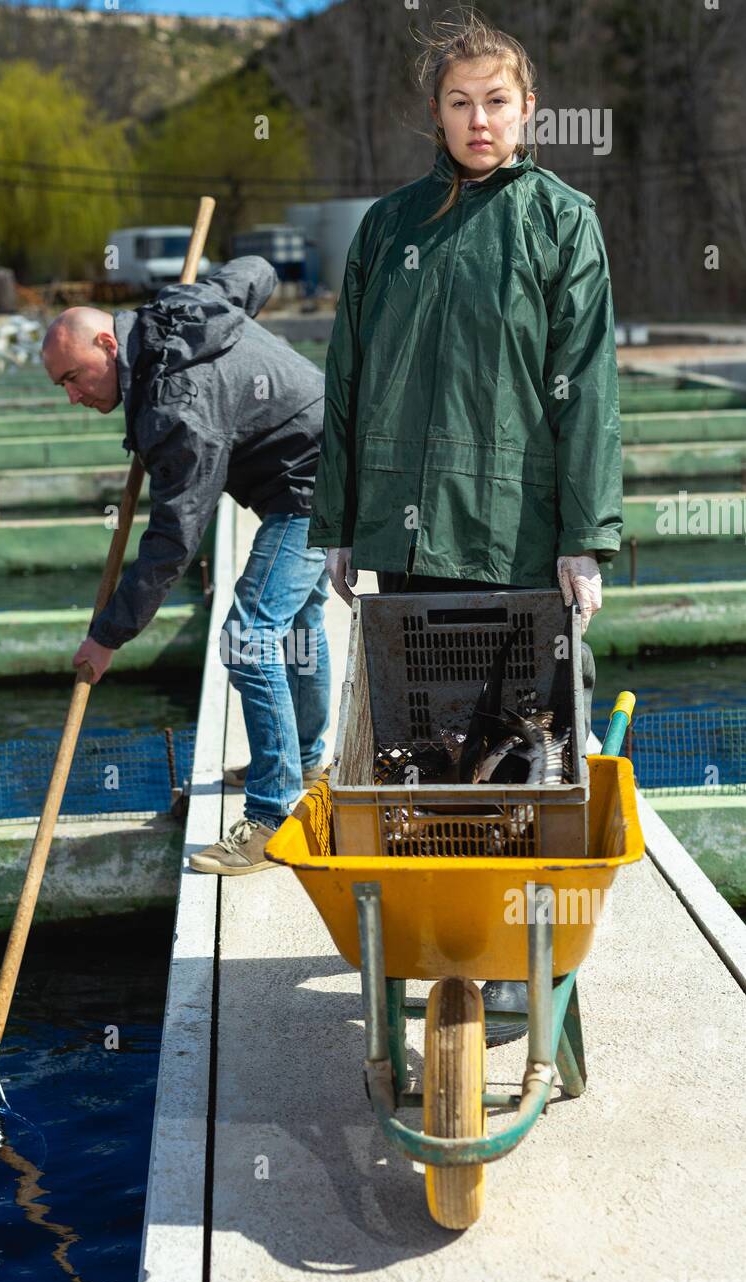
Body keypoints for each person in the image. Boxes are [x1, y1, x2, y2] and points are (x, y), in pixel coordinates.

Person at [308, 10, 623, 1042]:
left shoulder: (558, 222)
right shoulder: (389, 228)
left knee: (518, 756)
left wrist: (586, 534)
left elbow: (587, 394)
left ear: (528, 111)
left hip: (516, 542)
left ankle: (504, 956)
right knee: (418, 755)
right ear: (434, 114)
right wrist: (339, 526)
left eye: (495, 102)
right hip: (402, 545)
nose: (477, 119)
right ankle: (437, 939)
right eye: (458, 102)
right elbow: (345, 383)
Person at [41, 257, 331, 875]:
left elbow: (174, 539)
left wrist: (107, 634)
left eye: (73, 377)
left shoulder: (176, 408)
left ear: (107, 343)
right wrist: (209, 298)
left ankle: (274, 821)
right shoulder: (177, 311)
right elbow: (256, 271)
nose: (72, 396)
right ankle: (300, 759)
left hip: (315, 484)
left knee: (250, 638)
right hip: (320, 459)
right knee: (297, 619)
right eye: (60, 387)